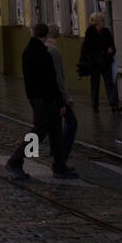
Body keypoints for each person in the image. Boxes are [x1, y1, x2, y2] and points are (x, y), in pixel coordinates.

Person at [6, 23, 78, 181]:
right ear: (45, 36)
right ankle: (16, 160)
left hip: (36, 97)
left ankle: (59, 166)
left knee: (55, 131)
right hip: (46, 99)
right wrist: (61, 103)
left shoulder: (28, 51)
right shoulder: (43, 54)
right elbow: (51, 81)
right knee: (39, 133)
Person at [45, 23, 77, 170]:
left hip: (46, 96)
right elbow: (58, 77)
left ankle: (58, 158)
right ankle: (60, 158)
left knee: (51, 127)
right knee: (71, 123)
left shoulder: (44, 48)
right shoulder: (54, 51)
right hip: (57, 96)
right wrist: (66, 97)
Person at [79, 12, 122, 113]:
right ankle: (95, 105)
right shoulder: (90, 32)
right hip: (94, 63)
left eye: (100, 23)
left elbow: (112, 45)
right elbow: (85, 48)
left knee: (110, 82)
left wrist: (111, 50)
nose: (99, 25)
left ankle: (114, 105)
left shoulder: (106, 32)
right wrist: (83, 61)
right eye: (98, 24)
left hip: (106, 61)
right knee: (95, 84)